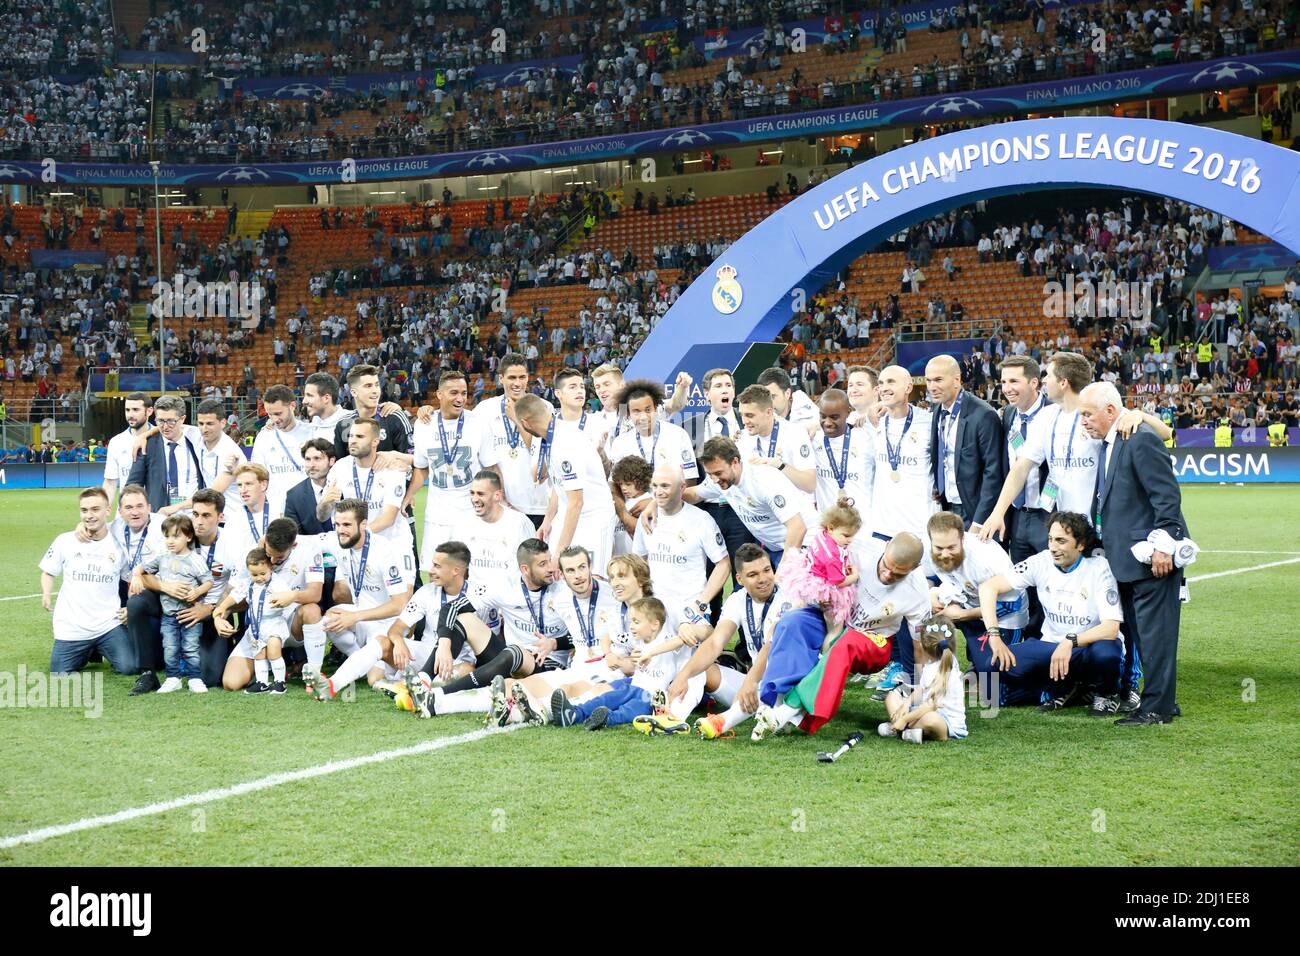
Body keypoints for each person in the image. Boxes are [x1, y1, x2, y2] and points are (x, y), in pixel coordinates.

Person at [1079, 382, 1189, 726]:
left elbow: (1167, 497)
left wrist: (1164, 546)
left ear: (1111, 411)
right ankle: (1161, 701)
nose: (1083, 421)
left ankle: (1156, 707)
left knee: (1156, 636)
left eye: (1087, 413)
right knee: (1145, 636)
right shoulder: (1111, 443)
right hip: (1126, 560)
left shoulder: (1139, 439)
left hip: (1151, 559)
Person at [978, 352, 1172, 544]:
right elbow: (1021, 468)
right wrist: (998, 512)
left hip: (1100, 527)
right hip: (1066, 528)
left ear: (1063, 383)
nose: (1044, 381)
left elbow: (1165, 433)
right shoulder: (1046, 417)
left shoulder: (1097, 411)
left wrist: (1139, 415)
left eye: (1049, 376)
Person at [751, 532, 930, 739]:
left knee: (846, 642)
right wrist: (820, 597)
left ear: (915, 568)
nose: (888, 575)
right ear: (886, 546)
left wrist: (919, 690)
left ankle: (788, 712)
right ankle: (772, 701)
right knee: (792, 622)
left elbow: (920, 647)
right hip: (836, 617)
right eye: (886, 566)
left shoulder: (918, 591)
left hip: (874, 640)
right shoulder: (859, 548)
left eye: (898, 574)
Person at [977, 511, 1126, 715]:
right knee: (989, 668)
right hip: (1050, 647)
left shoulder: (1099, 568)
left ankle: (1107, 693)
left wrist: (1070, 641)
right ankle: (1065, 688)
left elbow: (1111, 628)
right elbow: (988, 588)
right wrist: (994, 636)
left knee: (1106, 654)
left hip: (1087, 648)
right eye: (1051, 539)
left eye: (1061, 541)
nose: (1053, 547)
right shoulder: (1041, 561)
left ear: (1080, 544)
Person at [676, 544, 796, 739]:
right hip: (754, 683)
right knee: (701, 669)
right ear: (739, 579)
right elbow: (716, 642)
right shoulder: (737, 599)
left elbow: (771, 646)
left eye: (767, 570)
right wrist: (683, 675)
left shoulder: (789, 597)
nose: (763, 579)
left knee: (768, 687)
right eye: (753, 574)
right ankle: (674, 718)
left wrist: (750, 680)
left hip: (784, 684)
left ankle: (725, 720)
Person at [307, 499, 416, 700]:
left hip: (388, 624)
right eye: (338, 524)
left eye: (347, 525)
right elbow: (301, 541)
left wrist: (355, 616)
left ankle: (350, 674)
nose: (341, 530)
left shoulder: (384, 551)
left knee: (374, 679)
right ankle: (356, 662)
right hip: (363, 617)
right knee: (330, 619)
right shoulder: (337, 540)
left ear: (364, 525)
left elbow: (400, 604)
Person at [216, 517, 329, 690]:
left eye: (279, 557)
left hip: (292, 624)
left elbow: (315, 594)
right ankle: (271, 667)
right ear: (265, 540)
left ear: (294, 546)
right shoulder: (254, 552)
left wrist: (291, 596)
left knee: (312, 610)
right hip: (260, 627)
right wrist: (219, 614)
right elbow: (233, 592)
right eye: (269, 555)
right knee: (231, 683)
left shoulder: (310, 549)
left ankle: (314, 673)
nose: (273, 561)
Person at [549, 597, 691, 731]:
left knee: (632, 710)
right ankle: (573, 714)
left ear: (654, 624)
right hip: (632, 688)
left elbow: (679, 641)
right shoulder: (636, 639)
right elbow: (608, 636)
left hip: (650, 698)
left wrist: (650, 653)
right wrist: (608, 654)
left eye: (636, 622)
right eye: (630, 622)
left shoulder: (665, 639)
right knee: (606, 698)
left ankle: (606, 719)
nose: (631, 627)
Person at [517, 394, 617, 575]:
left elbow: (577, 502)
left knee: (590, 579)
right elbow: (560, 483)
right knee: (562, 577)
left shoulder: (564, 444)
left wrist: (560, 553)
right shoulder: (552, 435)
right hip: (568, 514)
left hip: (593, 517)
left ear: (525, 423)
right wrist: (548, 520)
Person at [40, 487, 134, 675]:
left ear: (107, 510)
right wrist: (46, 594)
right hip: (72, 627)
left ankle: (100, 647)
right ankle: (87, 650)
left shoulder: (119, 544)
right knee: (59, 672)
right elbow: (48, 572)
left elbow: (130, 580)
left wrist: (131, 606)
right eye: (84, 510)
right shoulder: (65, 541)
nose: (89, 515)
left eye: (95, 509)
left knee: (130, 667)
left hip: (108, 625)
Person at [631, 466, 729, 628]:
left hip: (690, 611)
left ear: (682, 487)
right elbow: (638, 560)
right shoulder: (646, 518)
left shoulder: (701, 520)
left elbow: (723, 564)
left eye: (665, 486)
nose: (658, 492)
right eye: (654, 486)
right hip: (655, 612)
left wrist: (701, 603)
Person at [408, 371, 491, 561]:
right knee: (439, 570)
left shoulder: (478, 423)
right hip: (438, 515)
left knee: (472, 569)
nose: (460, 398)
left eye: (464, 393)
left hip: (472, 512)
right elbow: (421, 468)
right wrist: (408, 496)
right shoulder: (423, 425)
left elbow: (490, 468)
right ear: (439, 394)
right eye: (454, 393)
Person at [924, 354, 1004, 527]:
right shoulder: (937, 410)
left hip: (974, 511)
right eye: (928, 381)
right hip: (946, 505)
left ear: (956, 380)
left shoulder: (983, 415)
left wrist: (979, 521)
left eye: (938, 380)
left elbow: (993, 472)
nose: (932, 387)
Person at [138, 515, 214, 693]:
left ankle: (195, 678)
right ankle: (173, 678)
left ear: (188, 537)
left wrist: (197, 592)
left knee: (190, 646)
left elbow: (209, 582)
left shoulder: (195, 559)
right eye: (167, 536)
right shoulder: (163, 556)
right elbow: (145, 569)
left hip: (189, 614)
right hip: (169, 615)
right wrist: (136, 574)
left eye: (176, 536)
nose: (170, 541)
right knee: (170, 647)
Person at [474, 353, 551, 527]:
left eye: (522, 377)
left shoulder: (544, 407)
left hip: (538, 503)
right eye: (512, 377)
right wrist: (427, 411)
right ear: (501, 378)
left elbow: (540, 452)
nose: (517, 383)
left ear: (528, 378)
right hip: (500, 504)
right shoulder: (485, 410)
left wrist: (517, 418)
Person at [321, 418, 412, 557]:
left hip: (391, 546)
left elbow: (388, 518)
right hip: (356, 547)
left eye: (359, 436)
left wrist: (353, 535)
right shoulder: (339, 469)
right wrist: (325, 502)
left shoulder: (392, 468)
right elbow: (322, 516)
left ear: (375, 441)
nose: (352, 440)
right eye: (351, 436)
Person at [865, 365, 936, 540]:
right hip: (882, 527)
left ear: (908, 387)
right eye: (881, 383)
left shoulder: (929, 422)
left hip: (921, 527)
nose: (884, 388)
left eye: (891, 382)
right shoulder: (871, 422)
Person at [878, 615, 967, 744]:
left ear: (924, 647)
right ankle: (910, 732)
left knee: (930, 720)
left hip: (946, 721)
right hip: (922, 709)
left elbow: (931, 706)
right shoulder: (932, 665)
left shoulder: (947, 667)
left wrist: (905, 719)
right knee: (891, 697)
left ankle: (900, 727)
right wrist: (906, 704)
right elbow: (921, 689)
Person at [776, 501, 862, 630]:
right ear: (831, 528)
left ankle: (780, 622)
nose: (850, 540)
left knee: (799, 609)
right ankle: (828, 649)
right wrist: (855, 576)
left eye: (852, 536)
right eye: (846, 536)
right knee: (834, 630)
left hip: (808, 581)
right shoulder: (833, 556)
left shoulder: (823, 535)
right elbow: (838, 582)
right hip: (823, 592)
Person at [735, 384, 817, 504]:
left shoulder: (795, 434)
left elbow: (810, 485)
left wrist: (780, 466)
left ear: (769, 412)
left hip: (797, 511)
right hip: (766, 514)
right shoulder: (742, 438)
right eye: (742, 415)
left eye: (750, 415)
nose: (744, 421)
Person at [125, 395, 206, 512]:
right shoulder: (146, 446)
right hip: (160, 517)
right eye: (160, 421)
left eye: (171, 421)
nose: (165, 427)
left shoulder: (197, 441)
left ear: (182, 419)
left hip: (193, 517)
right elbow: (132, 486)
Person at [607, 379, 700, 482]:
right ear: (628, 414)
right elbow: (614, 483)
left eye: (648, 410)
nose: (643, 417)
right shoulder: (620, 443)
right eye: (636, 412)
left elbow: (690, 479)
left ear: (655, 408)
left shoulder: (678, 435)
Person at [812, 388, 874, 513]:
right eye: (823, 416)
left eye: (834, 417)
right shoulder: (813, 440)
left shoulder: (866, 439)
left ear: (848, 412)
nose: (827, 423)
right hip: (828, 524)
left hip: (863, 523)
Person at [252, 384, 316, 505]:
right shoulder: (264, 437)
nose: (275, 419)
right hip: (276, 509)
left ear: (292, 406)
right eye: (270, 415)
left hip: (308, 506)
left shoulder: (311, 432)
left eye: (278, 413)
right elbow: (258, 475)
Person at [103, 392, 153, 507]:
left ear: (149, 411)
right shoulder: (116, 442)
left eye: (136, 410)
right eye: (127, 410)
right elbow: (110, 482)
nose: (130, 414)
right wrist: (103, 510)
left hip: (154, 511)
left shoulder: (161, 437)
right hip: (126, 512)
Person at [284, 437, 337, 534]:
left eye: (317, 458)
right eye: (308, 459)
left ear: (332, 461)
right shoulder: (294, 496)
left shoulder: (345, 486)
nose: (311, 464)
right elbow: (295, 538)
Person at [757, 366, 821, 437]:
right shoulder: (756, 422)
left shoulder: (810, 417)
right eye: (764, 398)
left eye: (773, 397)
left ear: (787, 394)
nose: (768, 403)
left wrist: (817, 427)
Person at [302, 371, 351, 444]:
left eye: (309, 395)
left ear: (326, 398)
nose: (304, 401)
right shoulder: (315, 422)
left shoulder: (349, 422)